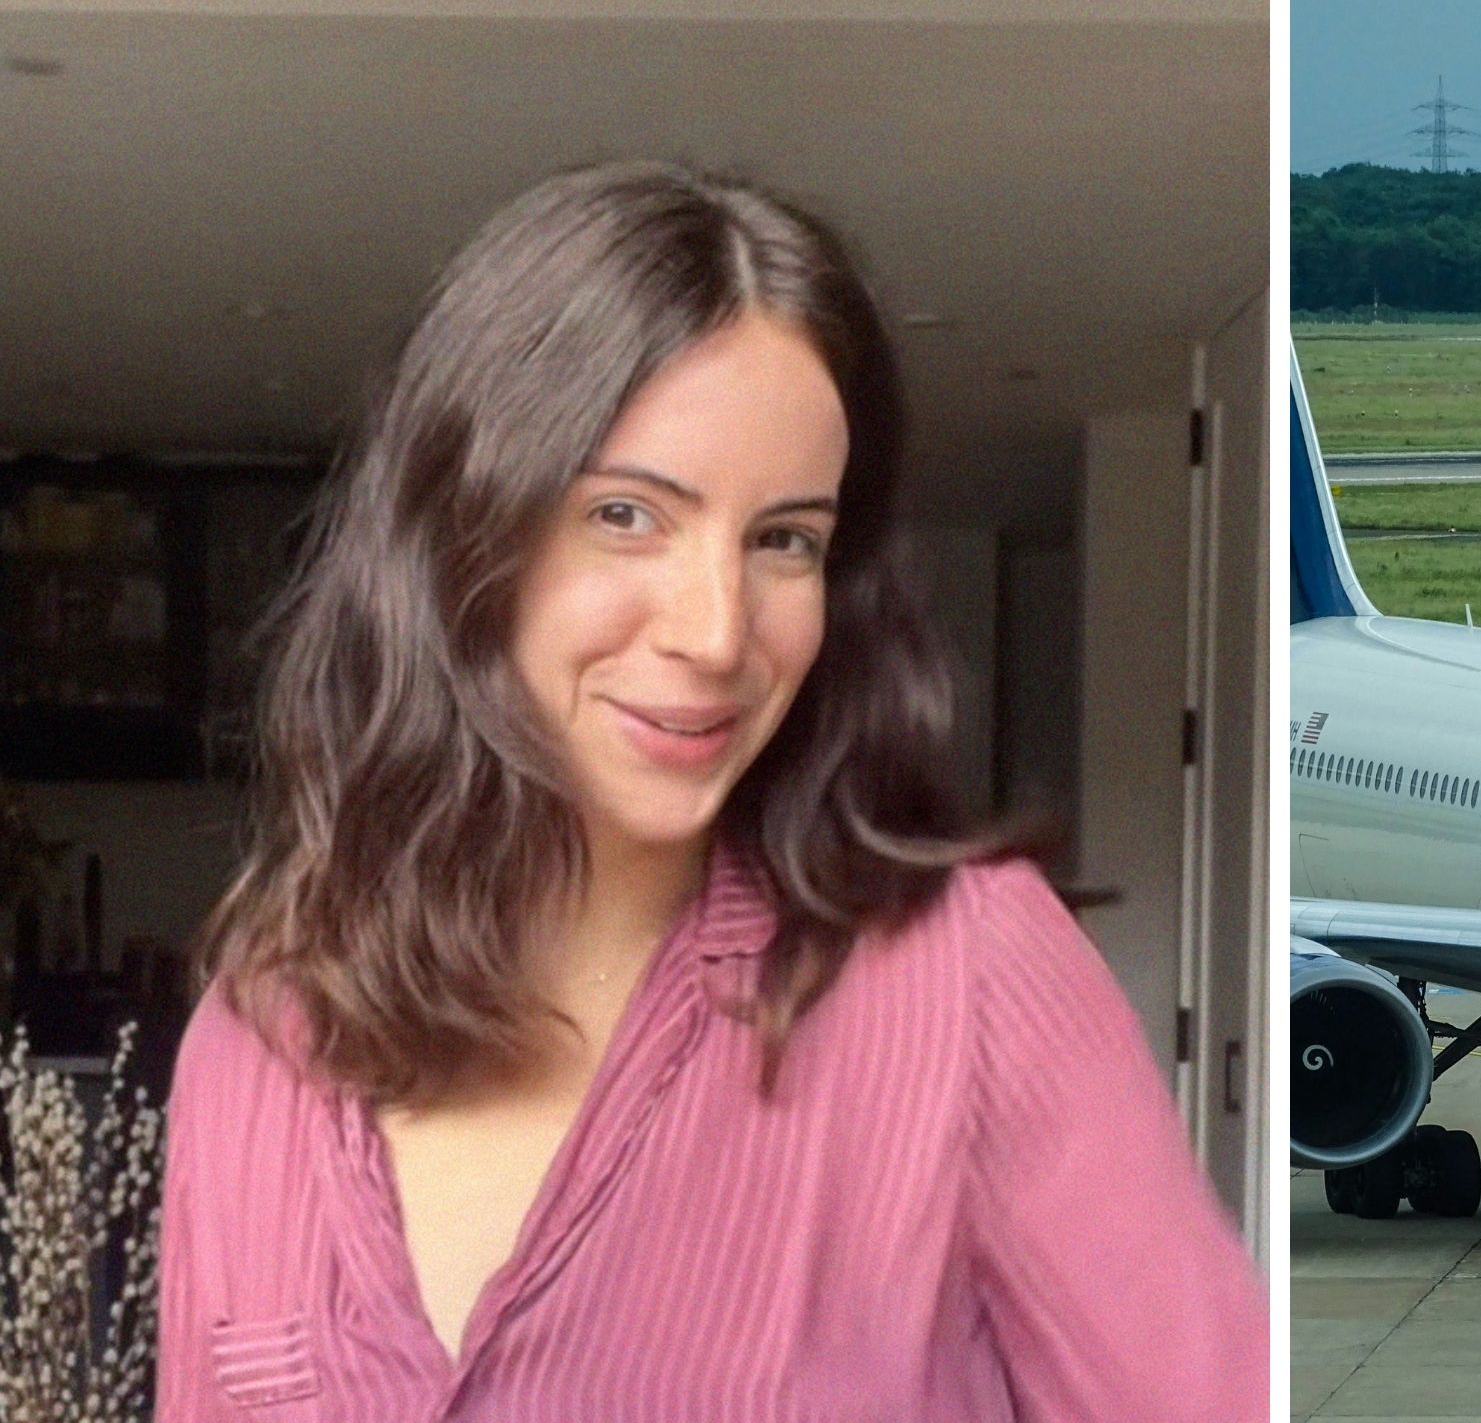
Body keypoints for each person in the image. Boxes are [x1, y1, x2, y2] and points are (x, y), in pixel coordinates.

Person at [152, 161, 1265, 1420]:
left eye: (784, 539)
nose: (718, 632)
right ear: (458, 535)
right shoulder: (259, 1042)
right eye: (627, 516)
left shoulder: (967, 980)